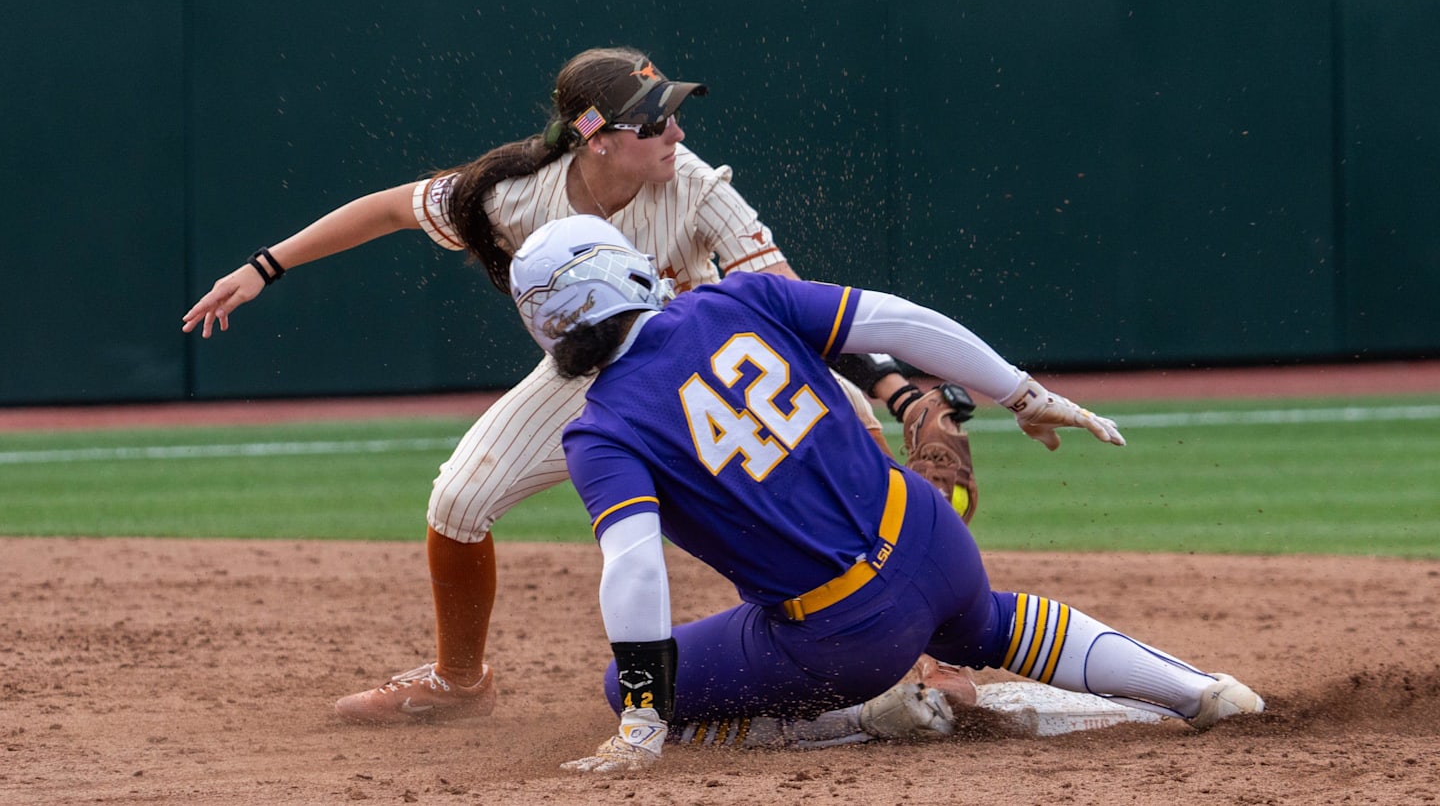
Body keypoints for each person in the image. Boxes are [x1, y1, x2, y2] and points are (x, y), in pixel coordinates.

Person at [180, 46, 964, 724]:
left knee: (852, 439)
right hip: (598, 377)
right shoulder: (515, 193)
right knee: (457, 502)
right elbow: (388, 209)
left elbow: (796, 297)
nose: (676, 132)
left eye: (674, 115)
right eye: (654, 121)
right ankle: (460, 683)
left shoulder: (691, 183)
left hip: (713, 364)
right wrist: (263, 267)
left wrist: (895, 390)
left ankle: (938, 645)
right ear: (595, 136)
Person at [504, 215, 1265, 773]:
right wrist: (1019, 393)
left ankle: (865, 718)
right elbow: (899, 322)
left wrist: (643, 710)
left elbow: (634, 567)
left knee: (625, 687)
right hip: (936, 543)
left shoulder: (601, 432)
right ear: (623, 272)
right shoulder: (738, 300)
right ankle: (1196, 689)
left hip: (845, 638)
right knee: (990, 623)